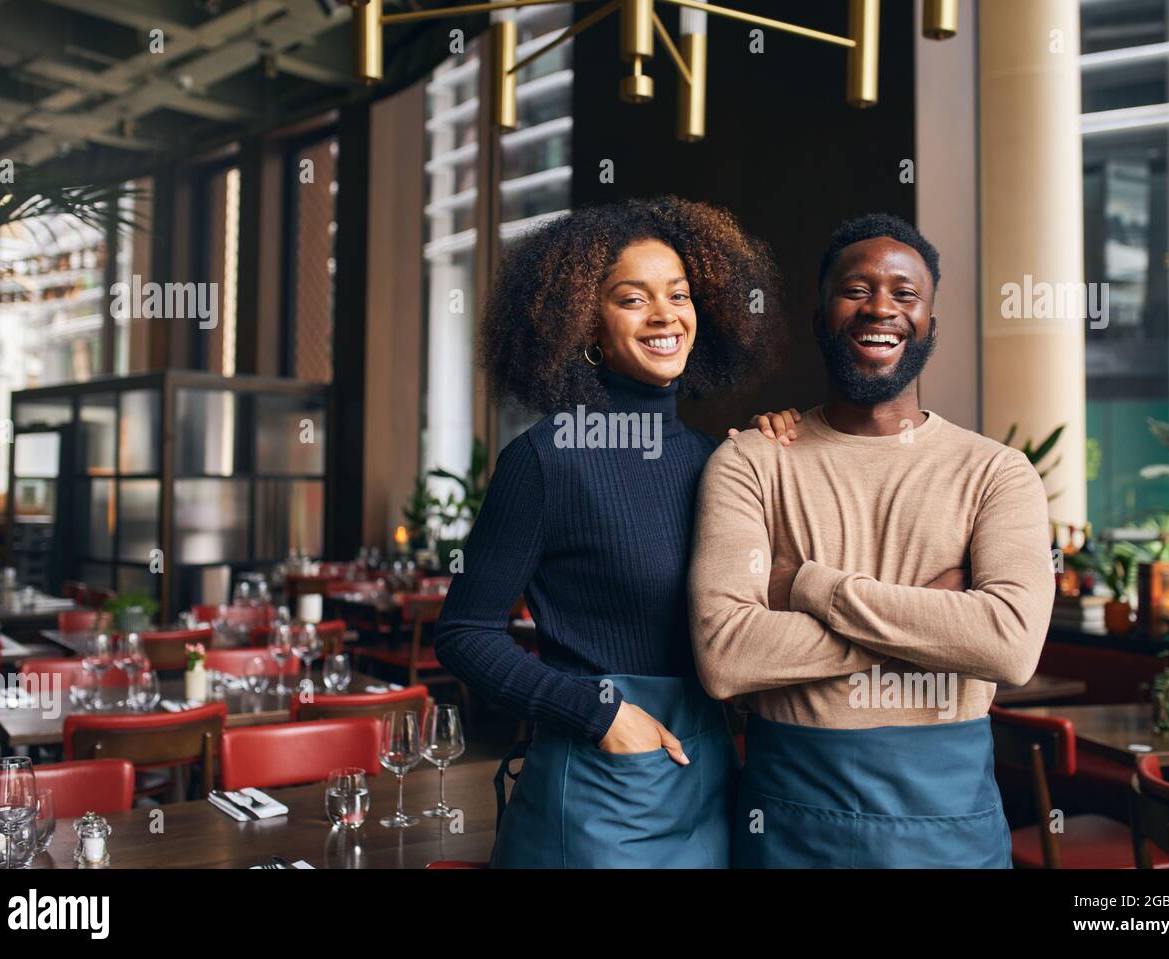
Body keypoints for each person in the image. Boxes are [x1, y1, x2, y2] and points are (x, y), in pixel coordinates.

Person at [434, 196, 795, 868]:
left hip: (708, 782)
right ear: (586, 326)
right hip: (597, 793)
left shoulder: (722, 459)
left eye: (680, 295)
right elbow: (462, 635)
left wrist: (785, 450)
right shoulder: (545, 460)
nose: (665, 315)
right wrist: (600, 716)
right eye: (633, 298)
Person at [689, 213, 1055, 868]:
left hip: (950, 827)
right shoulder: (751, 461)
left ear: (931, 325)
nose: (880, 306)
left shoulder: (997, 472)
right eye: (856, 289)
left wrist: (808, 586)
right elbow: (726, 656)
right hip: (790, 822)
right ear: (820, 318)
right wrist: (933, 624)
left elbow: (1009, 643)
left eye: (904, 292)